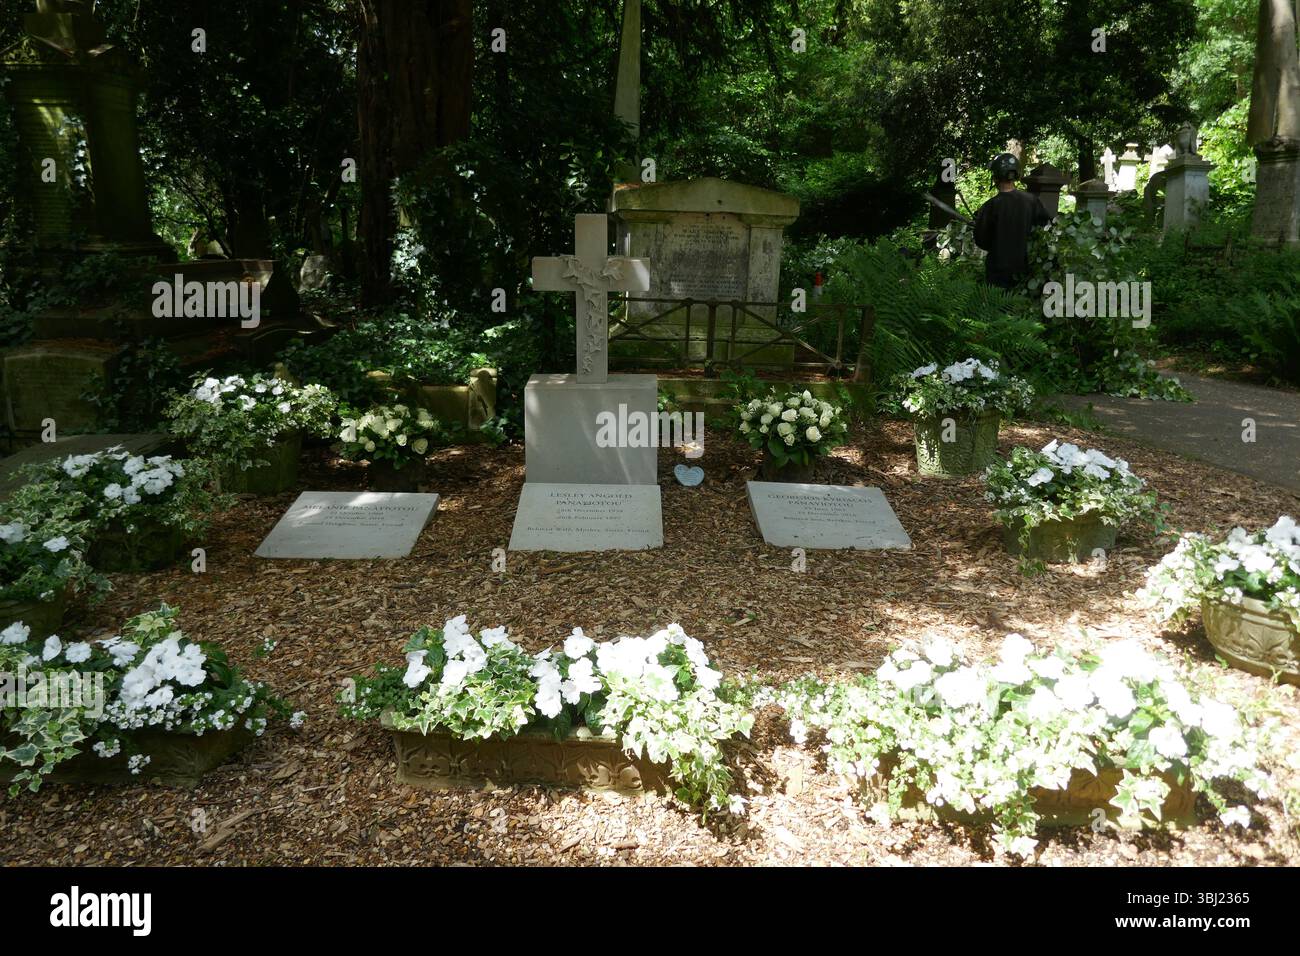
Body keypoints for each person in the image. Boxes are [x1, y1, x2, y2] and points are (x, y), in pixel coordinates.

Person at [973, 152, 1050, 289]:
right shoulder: (1032, 201)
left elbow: (981, 241)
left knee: (997, 308)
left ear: (995, 176)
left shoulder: (990, 206)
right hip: (1026, 270)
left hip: (998, 272)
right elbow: (1045, 227)